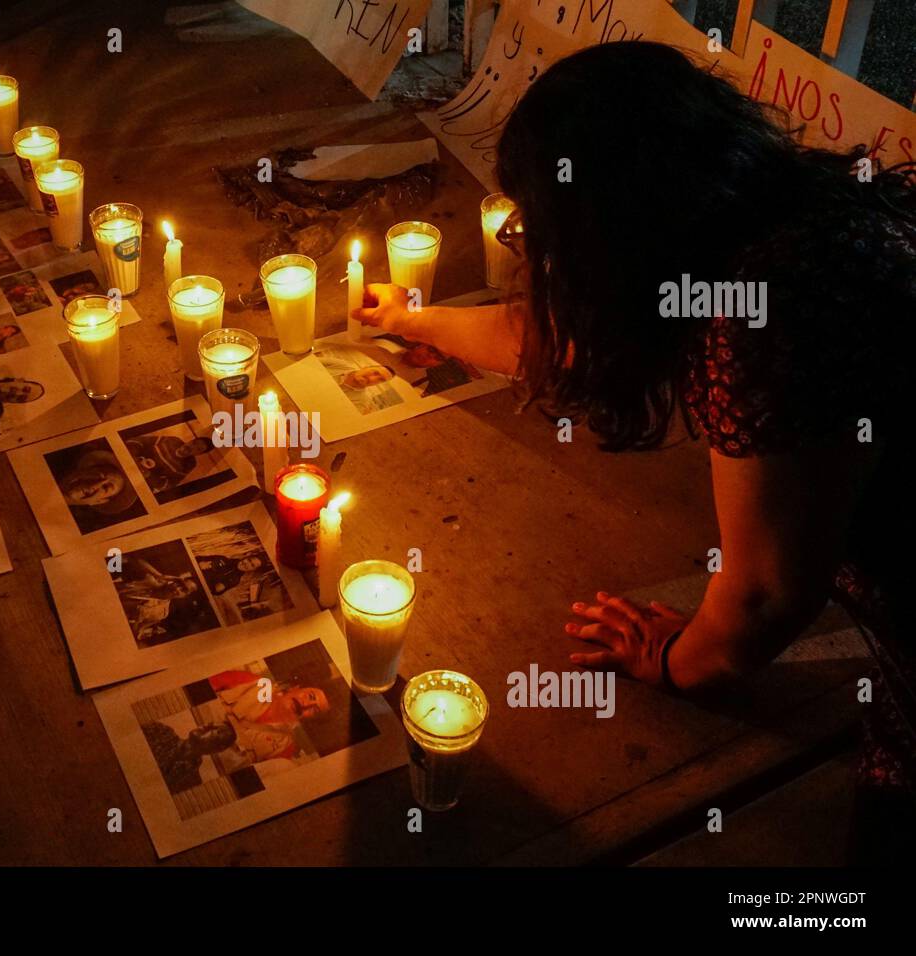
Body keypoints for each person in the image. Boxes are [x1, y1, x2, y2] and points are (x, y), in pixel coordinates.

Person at [352, 42, 914, 858]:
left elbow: (762, 600)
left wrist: (676, 661)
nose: (530, 249)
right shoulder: (769, 211)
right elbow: (565, 337)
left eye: (539, 228)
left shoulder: (763, 315)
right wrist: (412, 319)